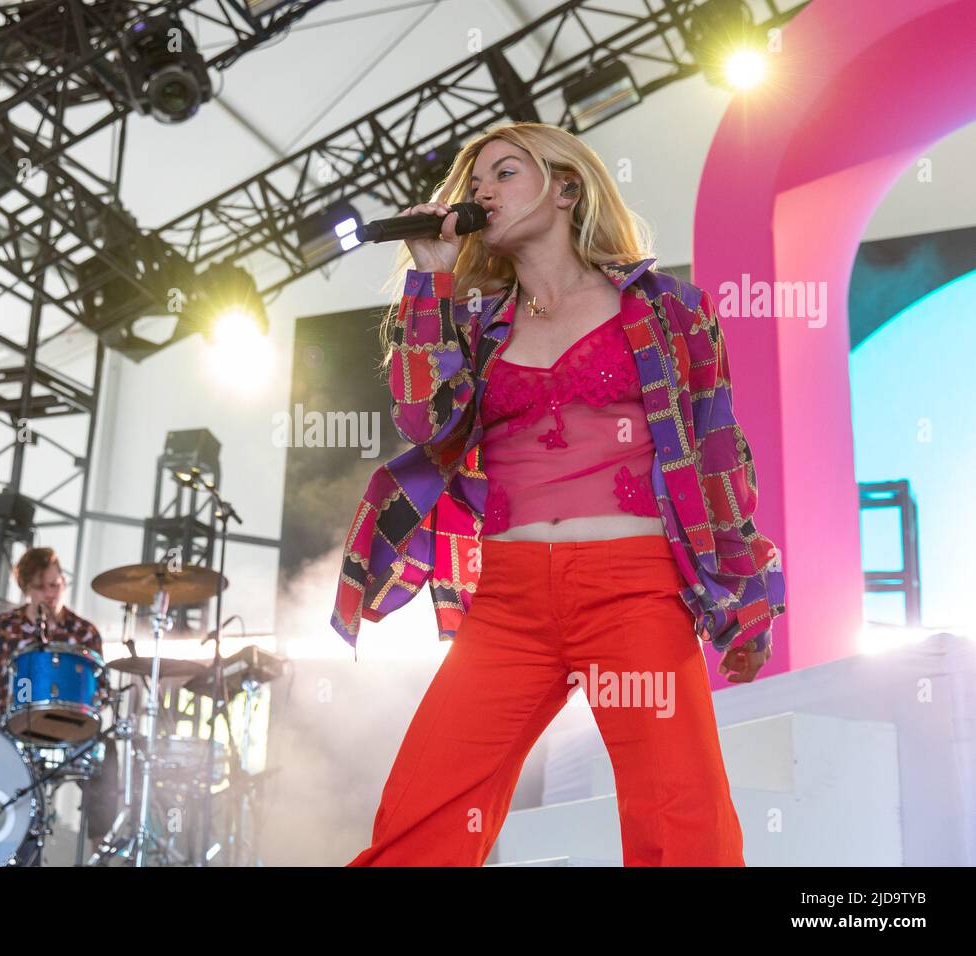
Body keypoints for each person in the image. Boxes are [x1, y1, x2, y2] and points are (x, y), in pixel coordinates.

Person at [333, 121, 787, 867]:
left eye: (504, 173)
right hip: (508, 604)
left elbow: (716, 457)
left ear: (567, 187)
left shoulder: (669, 310)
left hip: (634, 591)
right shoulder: (478, 328)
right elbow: (424, 420)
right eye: (474, 181)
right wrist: (430, 276)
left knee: (682, 821)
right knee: (423, 816)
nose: (482, 192)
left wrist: (746, 593)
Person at [0, 547, 118, 860]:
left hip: (68, 731)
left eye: (56, 584)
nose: (50, 593)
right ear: (26, 589)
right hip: (4, 731)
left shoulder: (83, 632)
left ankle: (100, 853)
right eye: (41, 587)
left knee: (107, 759)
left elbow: (102, 693)